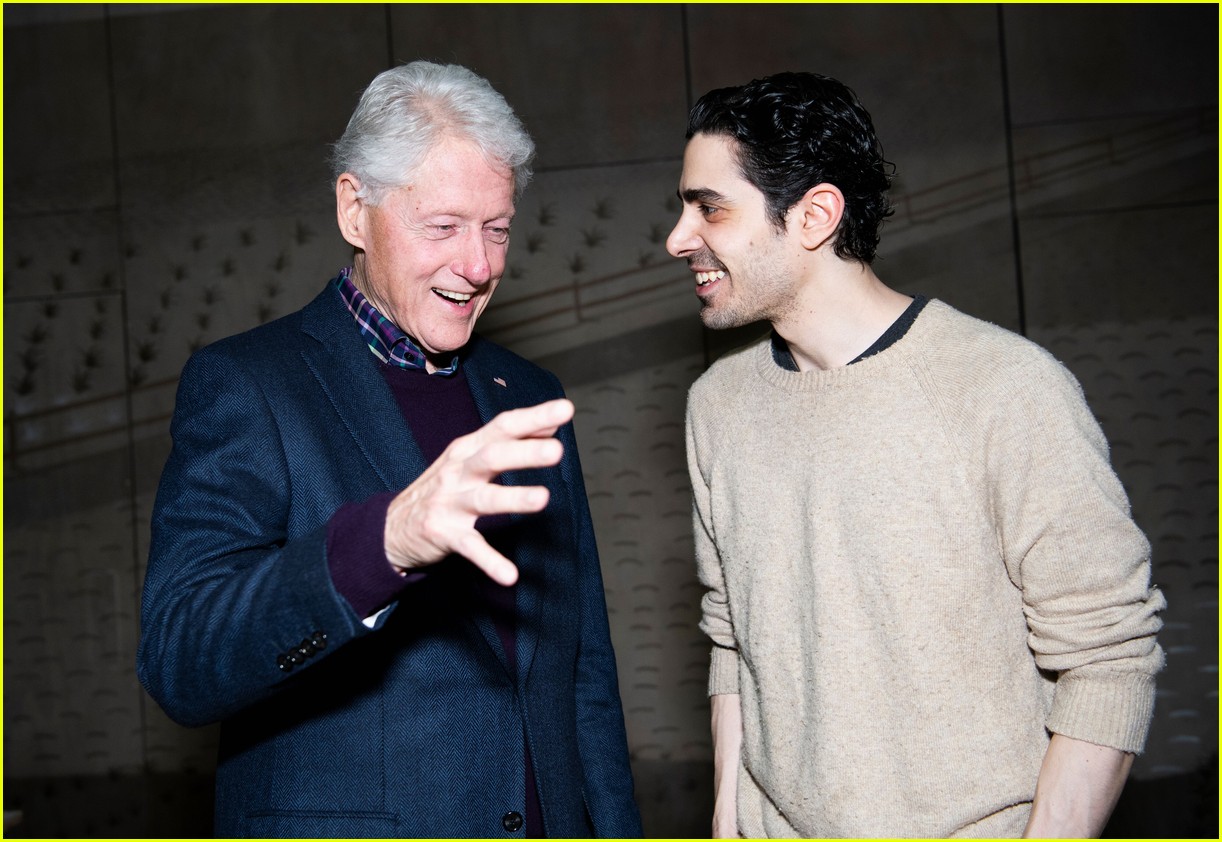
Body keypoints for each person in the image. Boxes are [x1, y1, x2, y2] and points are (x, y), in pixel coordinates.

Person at [137, 61, 641, 839]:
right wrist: (382, 544)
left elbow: (583, 673)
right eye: (442, 226)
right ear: (354, 210)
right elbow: (181, 657)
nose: (478, 266)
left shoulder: (531, 393)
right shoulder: (248, 385)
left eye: (498, 227)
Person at [667, 72, 1165, 838]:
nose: (678, 238)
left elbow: (1110, 661)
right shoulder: (718, 406)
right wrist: (727, 818)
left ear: (814, 215)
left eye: (709, 209)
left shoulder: (1005, 388)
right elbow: (732, 637)